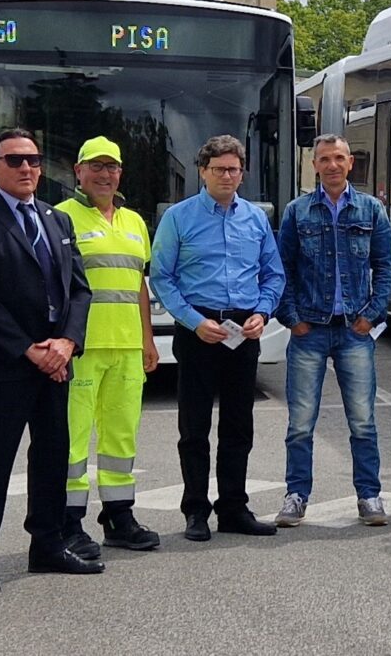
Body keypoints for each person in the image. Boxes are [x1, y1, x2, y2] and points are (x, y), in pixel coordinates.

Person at [0, 129, 100, 594]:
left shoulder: (57, 220)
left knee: (53, 457)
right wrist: (29, 348)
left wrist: (66, 343)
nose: (26, 168)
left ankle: (48, 544)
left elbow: (79, 289)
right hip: (8, 365)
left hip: (57, 362)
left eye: (33, 160)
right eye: (14, 160)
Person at [149, 134, 286, 540]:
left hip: (243, 330)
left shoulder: (256, 218)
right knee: (194, 426)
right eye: (219, 169)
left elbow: (273, 273)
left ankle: (233, 508)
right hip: (199, 330)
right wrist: (193, 321)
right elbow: (162, 277)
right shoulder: (178, 217)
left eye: (234, 169)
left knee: (238, 425)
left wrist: (263, 312)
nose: (227, 175)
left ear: (242, 172)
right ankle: (195, 511)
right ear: (202, 172)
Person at [273, 134, 391, 528]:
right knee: (300, 423)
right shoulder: (297, 212)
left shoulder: (371, 209)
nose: (332, 165)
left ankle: (369, 496)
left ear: (350, 163)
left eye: (339, 158)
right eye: (324, 159)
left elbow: (385, 266)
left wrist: (372, 315)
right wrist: (293, 318)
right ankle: (296, 495)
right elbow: (282, 269)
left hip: (354, 330)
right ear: (315, 165)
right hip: (310, 329)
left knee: (362, 420)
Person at [52, 136, 164, 556]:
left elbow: (138, 284)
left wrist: (147, 339)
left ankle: (119, 517)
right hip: (81, 347)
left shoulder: (135, 222)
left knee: (121, 438)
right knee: (73, 441)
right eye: (95, 166)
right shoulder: (61, 217)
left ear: (120, 174)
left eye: (111, 167)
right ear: (78, 172)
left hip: (127, 349)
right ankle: (67, 523)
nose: (104, 174)